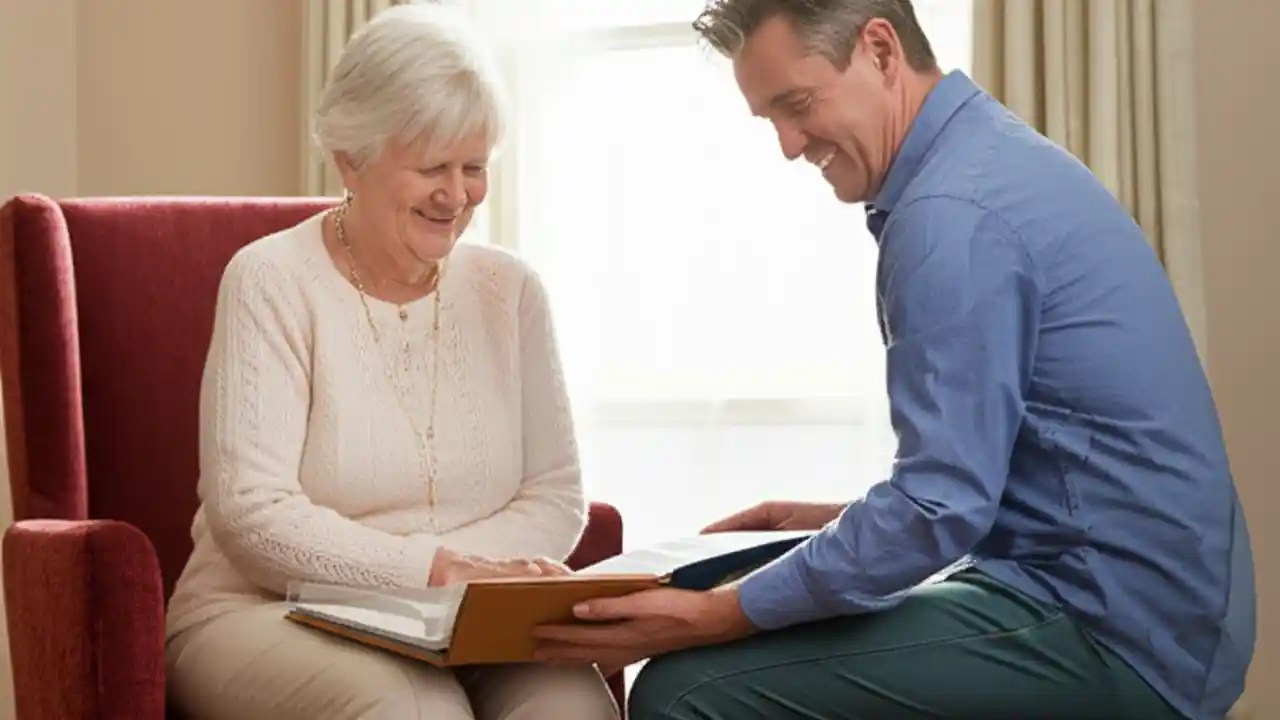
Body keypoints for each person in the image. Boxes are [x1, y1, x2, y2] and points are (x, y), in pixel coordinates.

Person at [534, 2, 1256, 719]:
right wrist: (830, 522)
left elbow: (937, 509)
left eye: (798, 104)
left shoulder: (952, 214)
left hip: (1114, 635)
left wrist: (717, 617)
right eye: (770, 120)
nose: (788, 144)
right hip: (1161, 619)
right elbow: (1001, 481)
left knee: (684, 690)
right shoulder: (989, 160)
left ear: (880, 50)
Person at [163, 5, 619, 719]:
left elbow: (555, 496)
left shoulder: (512, 291)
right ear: (352, 159)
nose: (457, 194)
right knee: (414, 710)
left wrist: (456, 590)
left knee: (572, 708)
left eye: (474, 167)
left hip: (461, 620)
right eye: (432, 167)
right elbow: (251, 514)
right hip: (262, 613)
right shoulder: (271, 280)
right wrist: (431, 570)